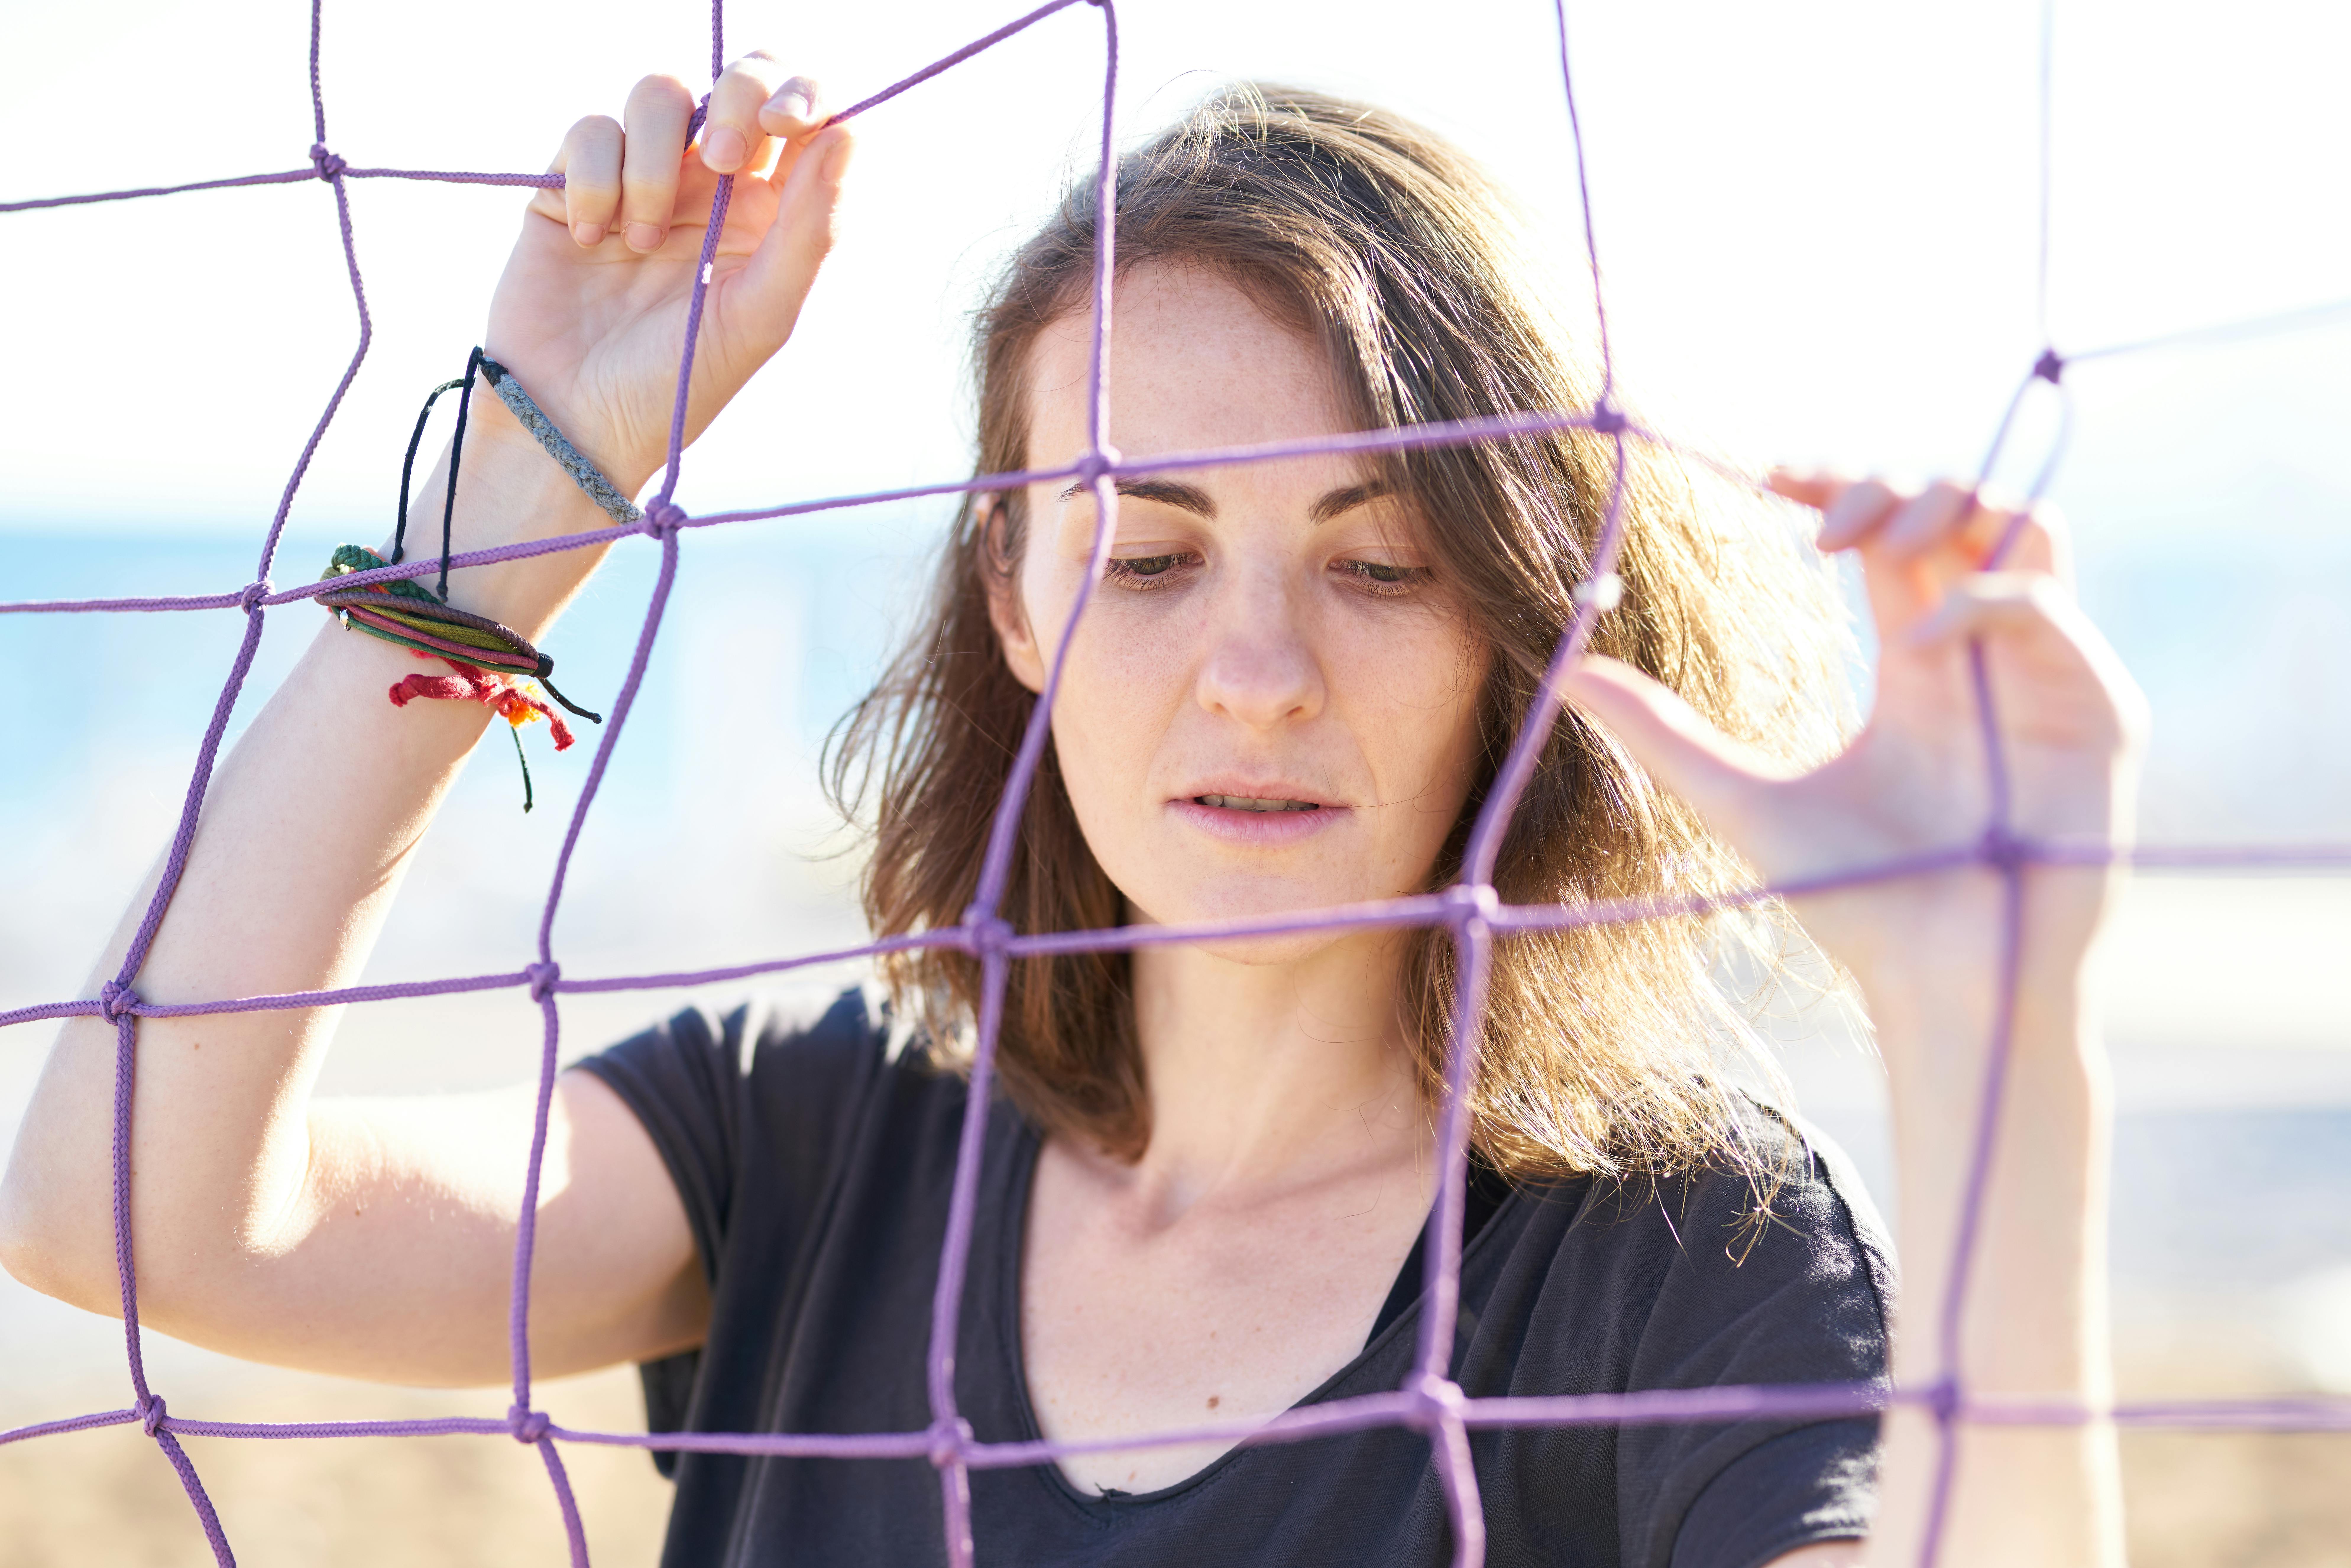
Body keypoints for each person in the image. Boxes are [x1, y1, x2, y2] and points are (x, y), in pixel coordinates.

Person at [0, 54, 2143, 1568]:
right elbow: (128, 1204)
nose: (1261, 666)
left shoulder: (1672, 1262)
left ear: (1518, 617)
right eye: (1145, 550)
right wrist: (519, 508)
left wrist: (1991, 1031)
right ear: (1014, 605)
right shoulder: (822, 1144)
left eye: (1381, 559)